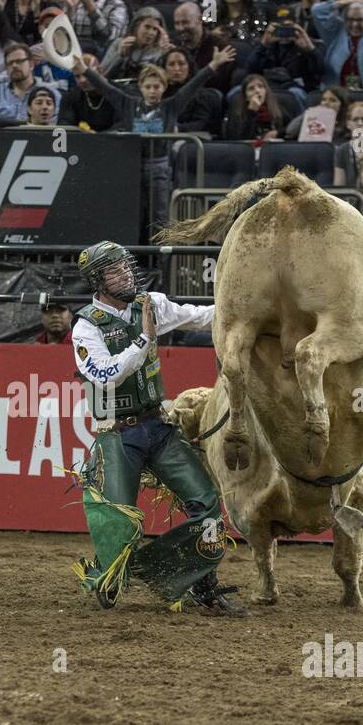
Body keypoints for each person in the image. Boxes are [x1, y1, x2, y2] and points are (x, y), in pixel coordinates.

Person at [69, 241, 246, 616]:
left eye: (126, 267)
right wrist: (144, 339)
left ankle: (202, 584)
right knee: (116, 517)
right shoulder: (87, 325)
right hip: (116, 433)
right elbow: (105, 374)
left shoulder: (150, 304)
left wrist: (249, 310)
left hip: (158, 426)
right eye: (115, 270)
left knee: (208, 505)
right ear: (98, 281)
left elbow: (202, 316)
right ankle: (112, 574)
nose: (126, 274)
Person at [75, 47, 236, 233]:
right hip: (132, 166)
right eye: (148, 87)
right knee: (132, 213)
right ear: (141, 87)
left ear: (164, 87)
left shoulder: (171, 106)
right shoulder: (128, 103)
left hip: (159, 168)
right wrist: (85, 70)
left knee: (159, 214)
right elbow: (106, 88)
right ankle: (134, 259)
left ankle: (161, 259)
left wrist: (214, 64)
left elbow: (192, 86)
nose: (152, 91)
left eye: (157, 86)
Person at [311, 0, 363, 96]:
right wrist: (348, 0)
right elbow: (316, 11)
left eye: (360, 20)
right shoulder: (336, 33)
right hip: (334, 95)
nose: (354, 24)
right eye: (350, 19)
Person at [246, 12, 322, 119]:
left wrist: (309, 48)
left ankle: (298, 127)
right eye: (280, 28)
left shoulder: (305, 44)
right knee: (237, 92)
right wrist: (263, 45)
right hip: (267, 85)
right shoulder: (265, 45)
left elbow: (319, 71)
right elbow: (250, 70)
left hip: (295, 86)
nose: (284, 32)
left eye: (288, 28)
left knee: (296, 93)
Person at [0, 41, 54, 125]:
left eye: (19, 61)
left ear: (31, 65)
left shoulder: (51, 93)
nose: (14, 66)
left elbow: (54, 126)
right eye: (10, 63)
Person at [99, 5, 172, 81]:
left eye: (155, 29)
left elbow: (167, 80)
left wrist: (165, 56)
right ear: (136, 26)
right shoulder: (118, 43)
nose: (151, 33)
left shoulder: (161, 51)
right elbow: (101, 75)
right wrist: (119, 55)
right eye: (147, 27)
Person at [60, 0, 130, 53]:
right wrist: (70, 10)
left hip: (103, 61)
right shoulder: (74, 2)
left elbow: (112, 38)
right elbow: (62, 37)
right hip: (74, 57)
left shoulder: (117, 5)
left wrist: (91, 8)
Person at [60, 50, 118, 130]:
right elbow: (65, 125)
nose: (82, 80)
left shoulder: (118, 93)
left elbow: (123, 126)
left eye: (87, 74)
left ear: (101, 71)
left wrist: (97, 137)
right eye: (77, 76)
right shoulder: (70, 96)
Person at [223, 74, 285, 140]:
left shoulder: (276, 108)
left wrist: (277, 133)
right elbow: (240, 139)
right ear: (246, 97)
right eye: (251, 88)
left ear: (266, 91)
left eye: (260, 86)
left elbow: (287, 131)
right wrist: (251, 112)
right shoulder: (237, 113)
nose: (257, 91)